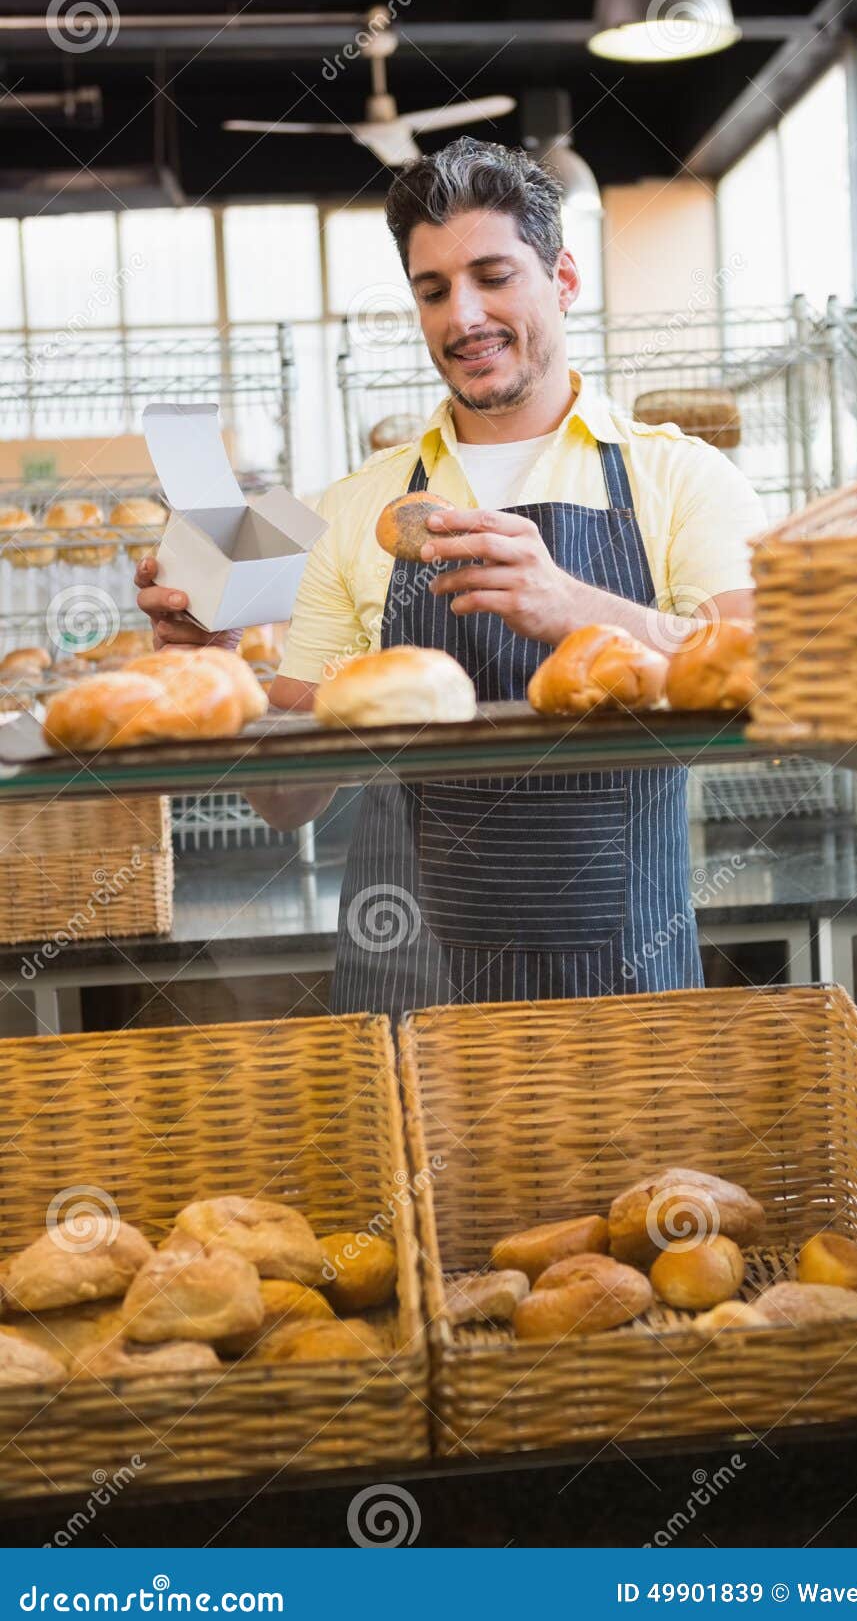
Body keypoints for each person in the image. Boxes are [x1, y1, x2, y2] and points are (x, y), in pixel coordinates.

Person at [137, 136, 764, 1016]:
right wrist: (224, 664)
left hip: (622, 978)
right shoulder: (355, 507)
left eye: (494, 275)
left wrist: (571, 604)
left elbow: (762, 673)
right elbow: (285, 799)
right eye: (433, 290)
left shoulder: (682, 478)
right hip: (410, 980)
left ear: (565, 280)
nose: (462, 315)